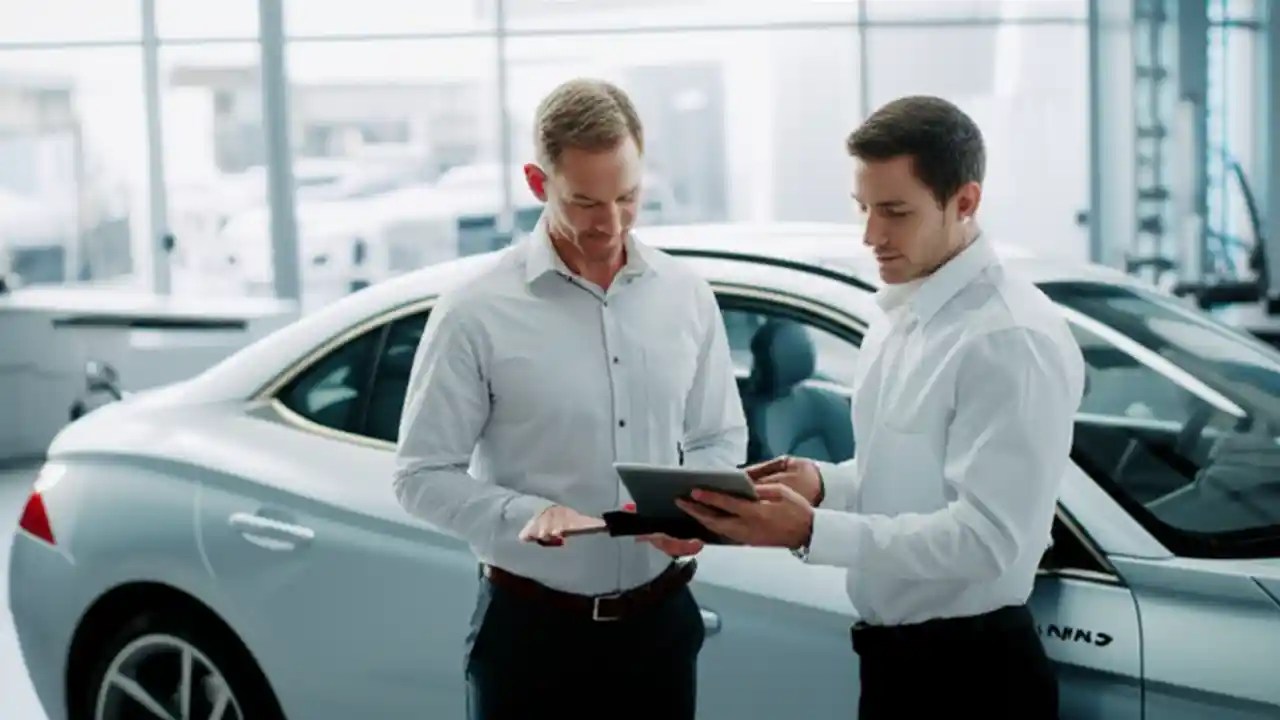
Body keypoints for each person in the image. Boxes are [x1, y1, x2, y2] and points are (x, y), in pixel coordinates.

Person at [676, 95, 1085, 719]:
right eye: (863, 208)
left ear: (965, 202)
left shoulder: (1009, 338)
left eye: (895, 211)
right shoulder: (900, 315)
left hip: (973, 678)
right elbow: (906, 483)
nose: (871, 235)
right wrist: (823, 486)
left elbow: (987, 538)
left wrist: (812, 530)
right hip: (895, 663)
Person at [392, 77, 747, 720]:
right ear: (538, 182)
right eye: (584, 202)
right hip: (531, 640)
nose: (610, 223)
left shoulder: (687, 295)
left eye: (627, 197)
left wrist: (693, 512)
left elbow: (717, 436)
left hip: (661, 631)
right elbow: (419, 475)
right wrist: (522, 513)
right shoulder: (475, 311)